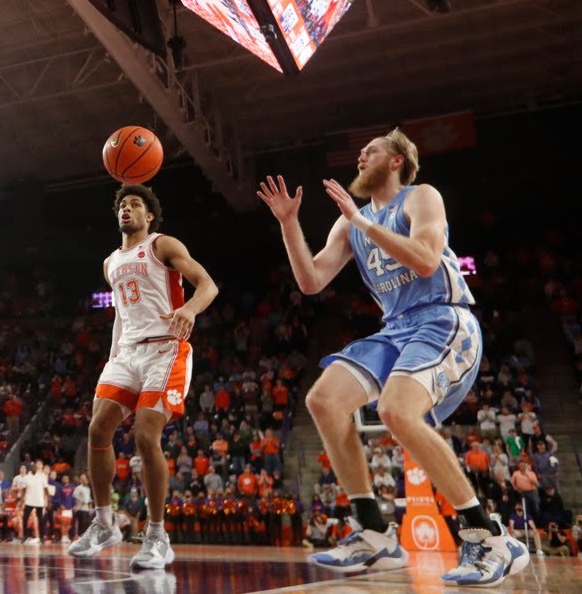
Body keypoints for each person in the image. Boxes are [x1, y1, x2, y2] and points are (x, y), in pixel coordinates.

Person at [257, 128, 528, 586]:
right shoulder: (350, 221)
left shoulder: (421, 197)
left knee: (395, 411)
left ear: (398, 161)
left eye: (371, 150)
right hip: (396, 328)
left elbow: (425, 260)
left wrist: (362, 223)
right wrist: (288, 223)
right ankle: (377, 534)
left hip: (443, 319)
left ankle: (488, 536)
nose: (360, 157)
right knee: (323, 400)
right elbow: (311, 281)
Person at [69, 184, 218, 570]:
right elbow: (121, 312)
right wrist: (114, 354)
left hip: (166, 348)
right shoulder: (110, 263)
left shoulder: (162, 245)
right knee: (98, 430)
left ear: (148, 216)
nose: (127, 209)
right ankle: (104, 524)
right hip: (127, 351)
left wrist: (189, 310)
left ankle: (157, 535)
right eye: (122, 204)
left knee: (144, 435)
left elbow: (208, 285)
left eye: (135, 204)